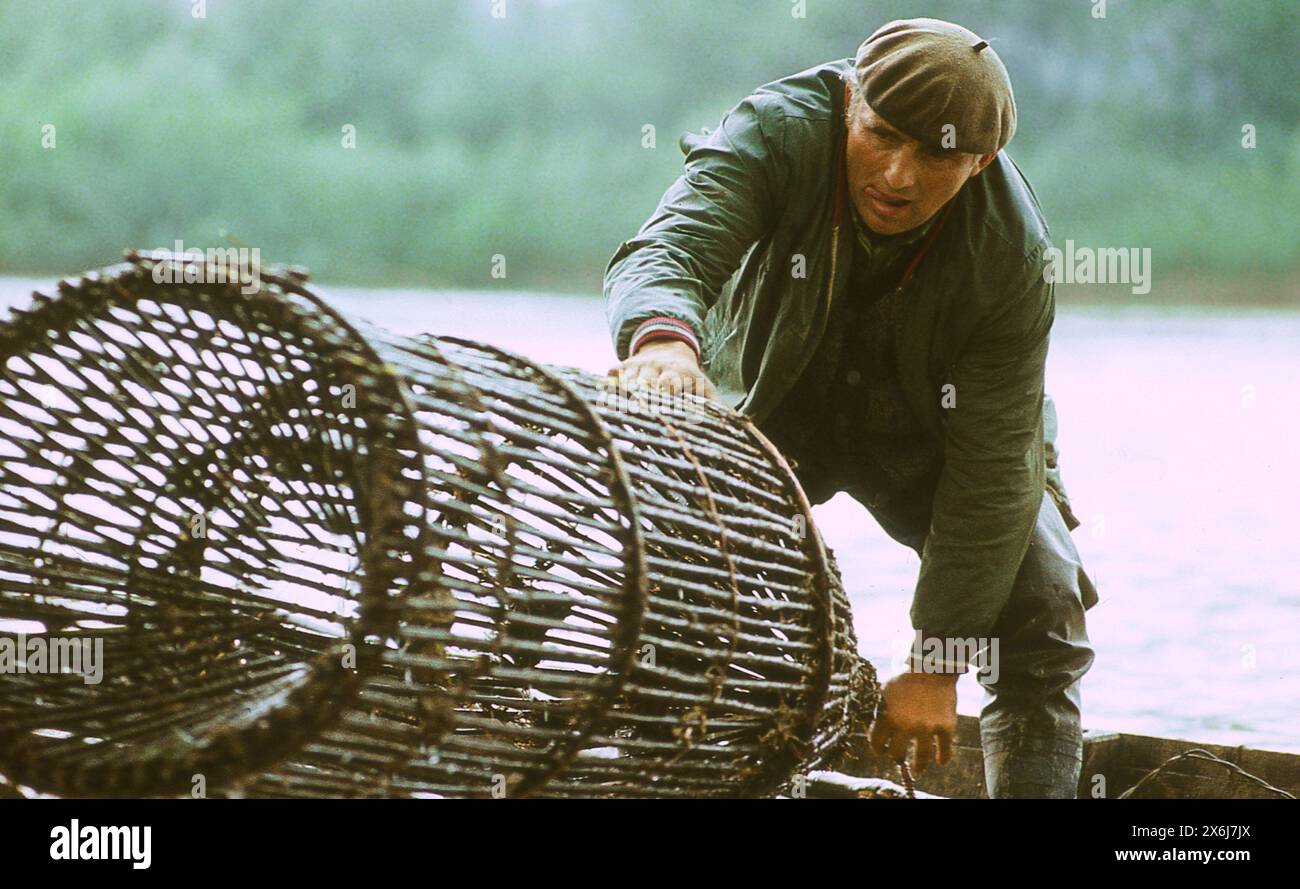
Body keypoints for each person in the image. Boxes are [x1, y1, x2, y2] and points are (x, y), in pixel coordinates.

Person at [603, 17, 1099, 798]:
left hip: (924, 432)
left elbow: (996, 464)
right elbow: (671, 247)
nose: (898, 176)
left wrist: (938, 662)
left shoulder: (1013, 255)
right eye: (882, 136)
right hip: (764, 405)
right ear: (848, 103)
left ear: (982, 160)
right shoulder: (775, 133)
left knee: (1040, 602)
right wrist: (662, 341)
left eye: (936, 154)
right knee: (683, 591)